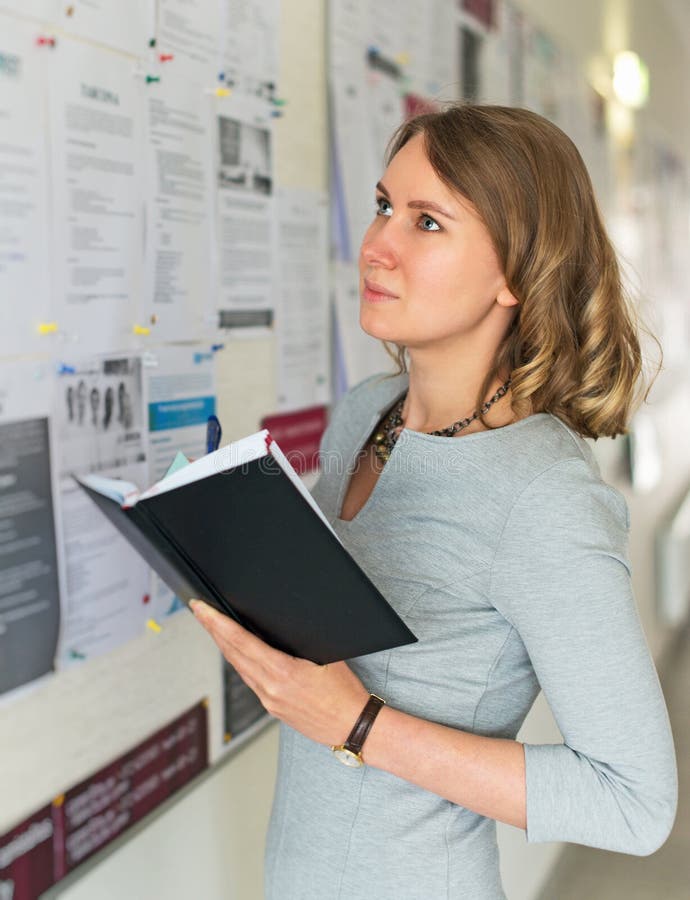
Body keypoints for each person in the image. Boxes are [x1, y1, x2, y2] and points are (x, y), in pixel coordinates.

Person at [189, 104, 678, 899]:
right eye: (384, 206)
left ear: (516, 272)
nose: (376, 245)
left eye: (427, 222)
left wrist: (358, 724)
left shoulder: (543, 496)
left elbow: (635, 803)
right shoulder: (365, 414)